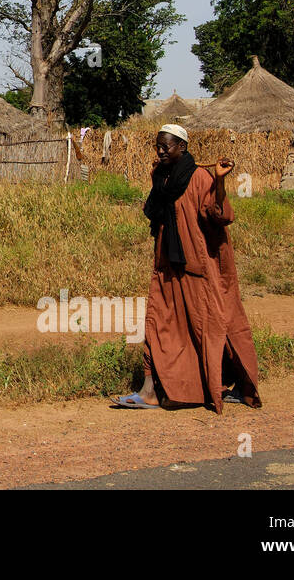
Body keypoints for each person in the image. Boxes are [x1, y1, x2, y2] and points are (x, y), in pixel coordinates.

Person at [111, 124, 262, 411]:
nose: (161, 150)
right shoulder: (162, 176)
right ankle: (151, 389)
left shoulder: (200, 177)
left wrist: (219, 182)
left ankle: (231, 383)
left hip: (199, 270)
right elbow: (156, 212)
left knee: (210, 329)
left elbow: (220, 215)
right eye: (158, 146)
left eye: (167, 146)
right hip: (167, 265)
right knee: (158, 324)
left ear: (182, 147)